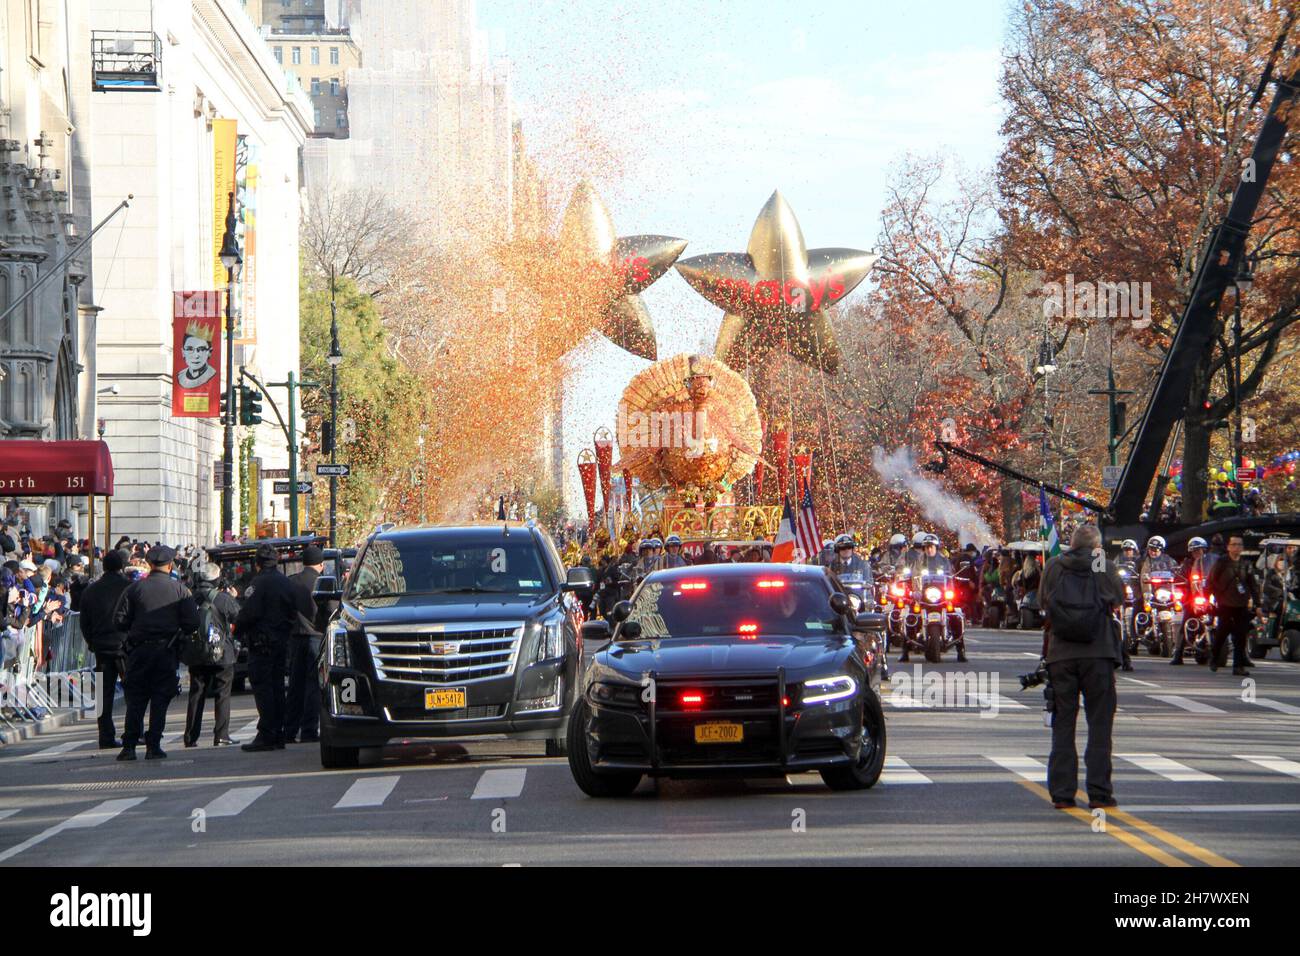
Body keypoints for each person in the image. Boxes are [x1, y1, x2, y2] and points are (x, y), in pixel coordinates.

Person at [1039, 523, 1123, 810]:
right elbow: (1118, 598)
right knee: (1099, 726)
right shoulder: (1103, 564)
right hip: (1098, 653)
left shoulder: (1053, 565)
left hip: (1061, 654)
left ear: (1071, 543)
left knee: (1063, 725)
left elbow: (1043, 602)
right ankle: (1100, 793)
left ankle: (1062, 793)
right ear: (1096, 545)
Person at [112, 546, 200, 761]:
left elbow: (119, 620)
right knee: (160, 699)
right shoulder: (180, 590)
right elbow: (192, 623)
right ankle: (153, 745)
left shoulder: (134, 589)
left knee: (136, 699)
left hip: (139, 651)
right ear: (170, 565)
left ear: (150, 564)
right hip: (166, 651)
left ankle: (130, 745)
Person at [235, 543, 301, 751]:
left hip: (261, 643)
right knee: (278, 687)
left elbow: (249, 613)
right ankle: (278, 733)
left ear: (258, 564)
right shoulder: (286, 583)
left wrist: (237, 630)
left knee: (263, 689)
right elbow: (293, 612)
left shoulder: (258, 583)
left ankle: (266, 733)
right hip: (281, 641)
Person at [77, 548, 132, 748]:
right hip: (124, 646)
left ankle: (106, 736)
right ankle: (133, 733)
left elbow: (84, 622)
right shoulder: (129, 587)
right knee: (132, 691)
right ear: (121, 567)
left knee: (104, 695)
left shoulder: (91, 590)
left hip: (101, 647)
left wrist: (91, 642)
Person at [182, 561, 241, 747]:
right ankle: (221, 734)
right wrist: (234, 598)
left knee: (196, 693)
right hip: (222, 653)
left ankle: (191, 736)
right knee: (222, 693)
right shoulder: (224, 599)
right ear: (217, 579)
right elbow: (239, 617)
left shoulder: (190, 599)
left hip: (198, 652)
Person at [284, 544, 327, 745]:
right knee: (313, 686)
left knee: (295, 686)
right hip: (316, 637)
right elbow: (330, 611)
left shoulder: (291, 582)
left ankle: (290, 729)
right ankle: (309, 729)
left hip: (295, 637)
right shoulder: (321, 583)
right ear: (320, 564)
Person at [1205, 534, 1261, 676]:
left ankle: (1238, 666)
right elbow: (1210, 582)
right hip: (1224, 604)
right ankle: (1214, 657)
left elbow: (1253, 585)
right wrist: (1208, 600)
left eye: (1239, 544)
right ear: (1228, 547)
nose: (1237, 547)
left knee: (1240, 636)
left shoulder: (1246, 564)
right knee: (1222, 633)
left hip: (1241, 605)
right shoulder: (1221, 563)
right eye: (1234, 544)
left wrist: (1258, 604)